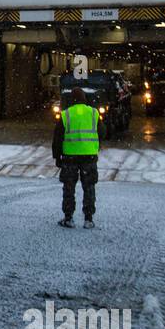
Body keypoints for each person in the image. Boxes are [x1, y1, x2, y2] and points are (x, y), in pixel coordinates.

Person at [53, 86, 100, 228]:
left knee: (69, 187)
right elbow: (103, 132)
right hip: (89, 156)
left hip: (70, 157)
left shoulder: (66, 114)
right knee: (89, 186)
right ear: (85, 99)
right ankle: (89, 219)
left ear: (71, 100)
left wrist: (57, 157)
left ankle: (68, 218)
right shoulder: (93, 113)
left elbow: (58, 138)